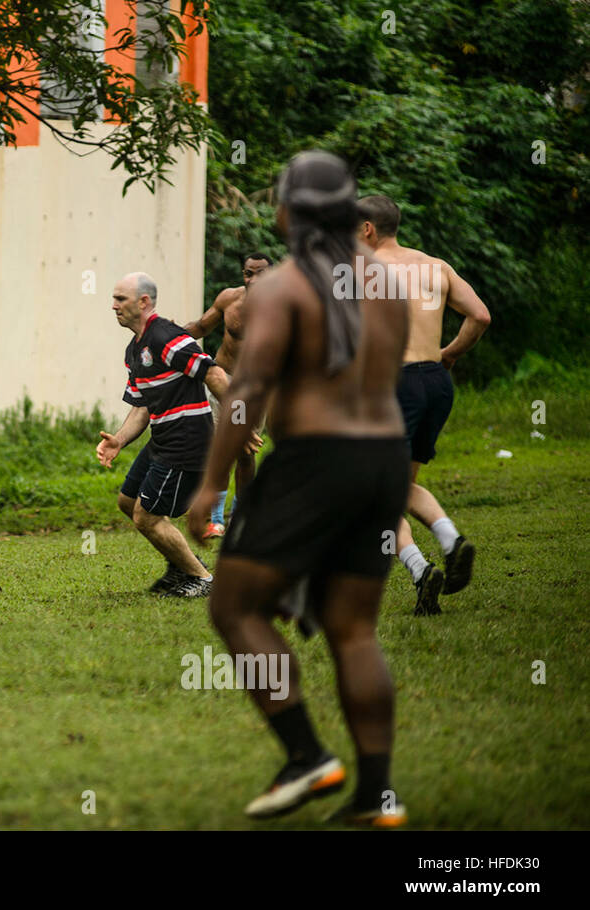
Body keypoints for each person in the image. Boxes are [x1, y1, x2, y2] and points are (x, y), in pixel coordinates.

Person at [187, 151, 411, 827]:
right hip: (386, 460)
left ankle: (307, 753)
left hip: (316, 461)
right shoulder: (388, 283)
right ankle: (376, 795)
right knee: (353, 628)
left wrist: (211, 485)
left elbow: (245, 393)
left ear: (286, 212)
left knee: (233, 607)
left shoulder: (281, 287)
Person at [357, 195, 490, 615]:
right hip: (435, 383)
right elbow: (481, 316)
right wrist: (447, 353)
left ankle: (419, 568)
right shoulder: (437, 266)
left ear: (366, 230)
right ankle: (450, 542)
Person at [95, 272, 243, 598]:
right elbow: (141, 407)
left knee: (146, 518)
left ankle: (202, 579)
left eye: (121, 299)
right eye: (114, 298)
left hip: (187, 441)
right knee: (127, 501)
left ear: (144, 302)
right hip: (162, 438)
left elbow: (213, 372)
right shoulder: (134, 351)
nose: (113, 306)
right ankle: (181, 566)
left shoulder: (167, 337)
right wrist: (118, 440)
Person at [185, 253, 274, 538]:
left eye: (261, 273)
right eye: (249, 273)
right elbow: (201, 327)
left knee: (245, 453)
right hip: (221, 380)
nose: (254, 279)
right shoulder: (228, 299)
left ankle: (241, 515)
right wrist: (169, 333)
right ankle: (216, 519)